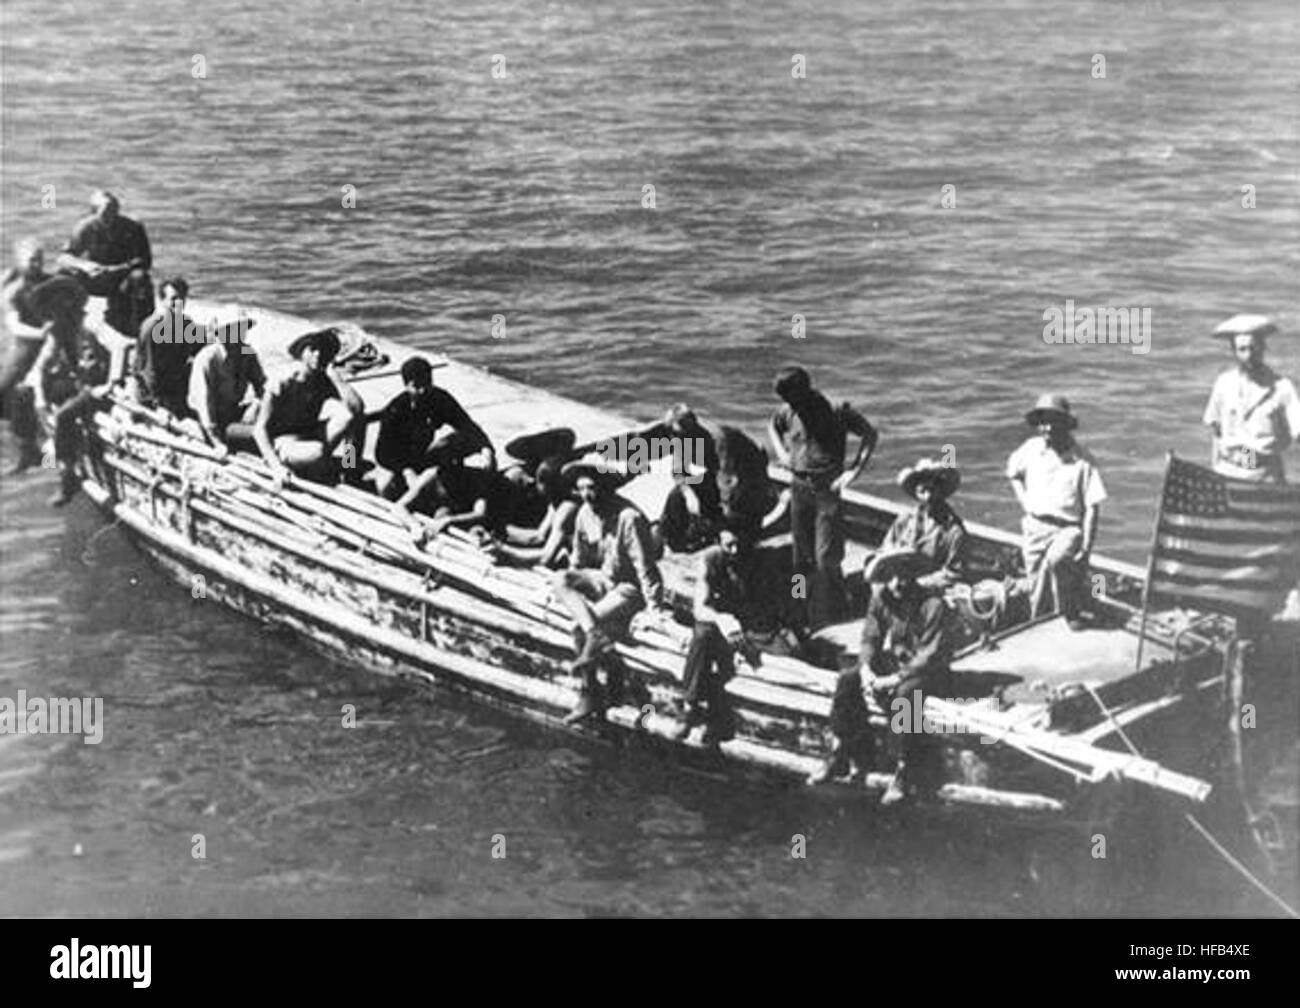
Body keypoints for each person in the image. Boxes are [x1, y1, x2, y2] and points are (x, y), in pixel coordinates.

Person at [811, 548, 956, 805]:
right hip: (898, 662)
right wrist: (866, 669)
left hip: (930, 672)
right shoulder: (882, 598)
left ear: (914, 576)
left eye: (904, 576)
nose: (897, 583)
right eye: (891, 576)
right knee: (847, 678)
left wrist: (892, 679)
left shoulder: (933, 605)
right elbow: (870, 637)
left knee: (906, 697)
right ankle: (841, 751)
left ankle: (905, 768)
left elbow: (929, 656)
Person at [552, 458, 666, 724]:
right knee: (560, 579)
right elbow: (578, 561)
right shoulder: (584, 513)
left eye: (591, 487)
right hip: (601, 579)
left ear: (605, 486)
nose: (586, 495)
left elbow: (645, 568)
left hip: (628, 588)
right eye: (581, 489)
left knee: (577, 628)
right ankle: (597, 636)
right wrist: (572, 589)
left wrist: (655, 609)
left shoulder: (629, 518)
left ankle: (589, 694)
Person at [767, 366, 877, 629]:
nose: (791, 404)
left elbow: (870, 435)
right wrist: (782, 454)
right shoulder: (789, 410)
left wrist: (853, 472)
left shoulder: (836, 409)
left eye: (793, 398)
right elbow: (772, 424)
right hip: (799, 486)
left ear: (806, 389)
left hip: (827, 489)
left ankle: (836, 608)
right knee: (800, 557)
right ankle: (800, 606)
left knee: (826, 556)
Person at [1006, 394, 1106, 630]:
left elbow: (1093, 507)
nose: (1047, 427)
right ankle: (1040, 623)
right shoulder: (1030, 449)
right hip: (1035, 526)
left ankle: (1067, 613)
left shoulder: (1083, 459)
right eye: (1043, 422)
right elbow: (1013, 474)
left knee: (1058, 559)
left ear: (1065, 424)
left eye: (1053, 421)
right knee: (1036, 582)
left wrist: (1086, 546)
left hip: (1068, 528)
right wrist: (1025, 501)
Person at [26, 278, 123, 506]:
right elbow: (41, 366)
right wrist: (40, 399)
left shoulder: (89, 324)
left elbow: (120, 346)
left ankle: (67, 478)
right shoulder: (60, 330)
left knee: (63, 415)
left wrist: (111, 382)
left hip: (97, 389)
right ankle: (48, 452)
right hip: (81, 385)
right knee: (32, 394)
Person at [672, 522, 761, 746]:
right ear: (719, 544)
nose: (735, 551)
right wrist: (723, 620)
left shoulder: (756, 560)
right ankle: (692, 706)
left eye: (739, 545)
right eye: (729, 545)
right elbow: (700, 608)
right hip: (721, 625)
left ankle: (708, 719)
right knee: (703, 634)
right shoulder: (711, 560)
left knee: (711, 648)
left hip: (750, 627)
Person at [374, 356, 496, 508]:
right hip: (397, 460)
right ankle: (348, 466)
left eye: (427, 383)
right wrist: (406, 471)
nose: (423, 390)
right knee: (384, 485)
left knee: (451, 444)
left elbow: (467, 426)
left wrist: (486, 449)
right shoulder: (394, 410)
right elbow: (383, 454)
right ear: (406, 386)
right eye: (416, 386)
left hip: (420, 456)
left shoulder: (439, 398)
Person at [653, 404, 772, 552]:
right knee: (677, 494)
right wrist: (688, 494)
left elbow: (727, 483)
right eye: (673, 435)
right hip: (719, 470)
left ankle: (734, 531)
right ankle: (663, 536)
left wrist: (724, 529)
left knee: (734, 506)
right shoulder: (680, 437)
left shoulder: (718, 439)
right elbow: (679, 472)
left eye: (680, 435)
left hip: (749, 470)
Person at [253, 327, 364, 484]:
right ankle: (315, 466)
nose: (317, 355)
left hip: (308, 434)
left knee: (348, 419)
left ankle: (349, 466)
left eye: (324, 351)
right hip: (283, 442)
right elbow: (260, 429)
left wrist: (336, 378)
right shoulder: (282, 381)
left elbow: (357, 408)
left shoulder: (322, 379)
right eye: (313, 349)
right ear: (302, 352)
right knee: (318, 452)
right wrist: (275, 466)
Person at [1203, 314, 1300, 483]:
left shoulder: (1282, 388)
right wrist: (1214, 472)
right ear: (1233, 351)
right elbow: (1217, 431)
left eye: (1253, 348)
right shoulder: (1224, 384)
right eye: (1242, 349)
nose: (1248, 355)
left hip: (1265, 476)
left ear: (1263, 348)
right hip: (1228, 471)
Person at [55, 190, 154, 337]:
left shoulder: (133, 227)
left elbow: (145, 260)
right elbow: (63, 257)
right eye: (105, 212)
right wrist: (84, 266)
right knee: (62, 276)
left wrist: (114, 270)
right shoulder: (84, 227)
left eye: (114, 210)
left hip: (121, 279)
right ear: (93, 212)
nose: (111, 217)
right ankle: (66, 328)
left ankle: (143, 330)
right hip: (95, 279)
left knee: (140, 277)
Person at [876, 458, 967, 594]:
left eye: (932, 490)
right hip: (897, 583)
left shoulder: (954, 531)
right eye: (922, 491)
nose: (928, 496)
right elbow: (884, 550)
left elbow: (954, 573)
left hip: (928, 591)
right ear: (916, 493)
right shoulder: (905, 520)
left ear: (941, 490)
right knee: (878, 595)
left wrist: (918, 585)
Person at [0, 239, 51, 473]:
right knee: (5, 393)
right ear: (21, 262)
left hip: (52, 346)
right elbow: (14, 326)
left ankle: (36, 447)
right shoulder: (14, 289)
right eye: (32, 260)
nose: (37, 264)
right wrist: (41, 332)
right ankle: (28, 450)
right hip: (25, 347)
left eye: (39, 259)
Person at [187, 324, 267, 449]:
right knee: (259, 434)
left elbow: (263, 385)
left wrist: (256, 403)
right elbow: (204, 404)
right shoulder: (208, 358)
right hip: (210, 420)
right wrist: (216, 440)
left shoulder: (246, 352)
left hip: (232, 411)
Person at [135, 277, 200, 417]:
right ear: (162, 300)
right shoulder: (152, 327)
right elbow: (148, 371)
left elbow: (197, 349)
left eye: (182, 298)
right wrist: (157, 403)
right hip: (153, 395)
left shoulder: (185, 323)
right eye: (174, 299)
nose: (178, 303)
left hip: (176, 389)